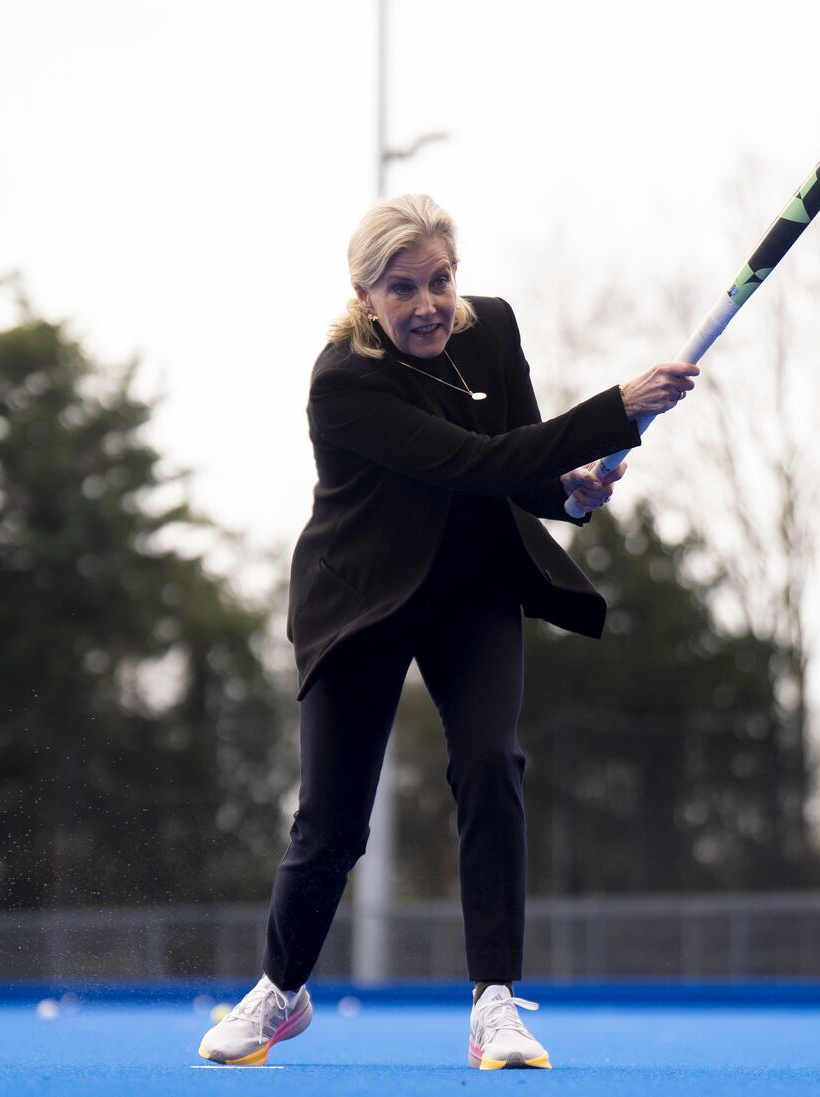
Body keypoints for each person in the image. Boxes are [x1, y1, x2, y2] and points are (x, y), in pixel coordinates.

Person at [198, 194, 697, 1070]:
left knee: (490, 762)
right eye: (402, 289)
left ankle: (494, 1002)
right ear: (364, 295)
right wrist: (616, 407)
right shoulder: (343, 382)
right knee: (333, 822)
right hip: (362, 598)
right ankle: (282, 988)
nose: (428, 304)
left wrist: (572, 489)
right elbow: (471, 463)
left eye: (440, 280)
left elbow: (520, 455)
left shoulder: (490, 330)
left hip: (470, 585)